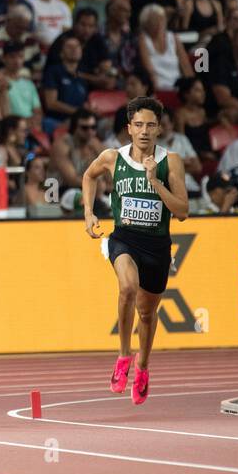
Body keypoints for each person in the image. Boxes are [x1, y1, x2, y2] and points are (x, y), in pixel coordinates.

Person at [81, 97, 189, 405]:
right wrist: (88, 212)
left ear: (159, 129)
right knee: (127, 287)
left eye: (150, 125)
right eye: (138, 125)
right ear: (129, 128)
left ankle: (142, 366)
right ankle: (123, 357)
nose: (144, 131)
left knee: (147, 312)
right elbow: (89, 176)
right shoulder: (112, 157)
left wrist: (155, 181)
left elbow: (182, 211)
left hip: (156, 245)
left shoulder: (172, 161)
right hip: (124, 238)